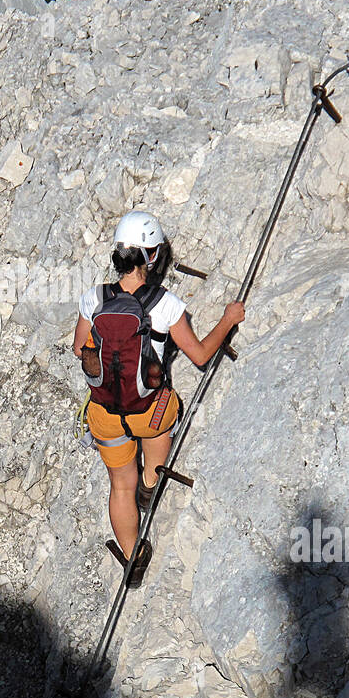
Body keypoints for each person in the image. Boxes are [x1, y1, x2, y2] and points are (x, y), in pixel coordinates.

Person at [73, 211, 244, 586]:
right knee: (165, 415)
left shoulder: (94, 298)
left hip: (103, 412)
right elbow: (199, 355)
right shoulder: (166, 305)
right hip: (147, 411)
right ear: (152, 256)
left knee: (119, 484)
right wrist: (229, 319)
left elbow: (78, 348)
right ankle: (150, 485)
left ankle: (133, 559)